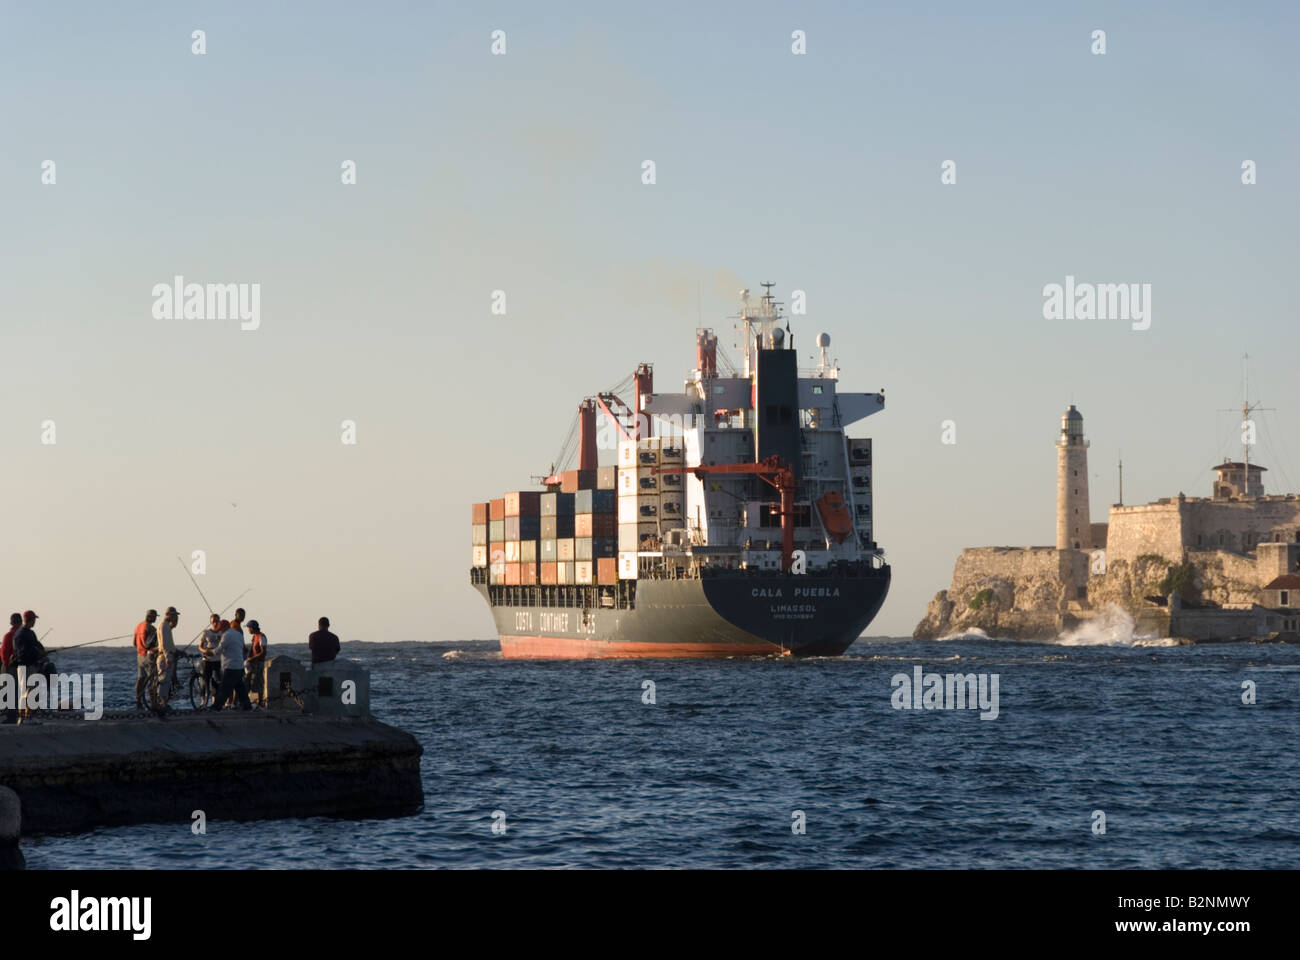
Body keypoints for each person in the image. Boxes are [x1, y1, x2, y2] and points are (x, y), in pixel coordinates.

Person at [13, 611, 53, 715]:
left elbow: (37, 645)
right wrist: (37, 653)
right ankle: (26, 716)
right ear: (30, 620)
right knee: (29, 693)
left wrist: (42, 652)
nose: (35, 622)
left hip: (30, 666)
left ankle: (24, 716)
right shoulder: (21, 634)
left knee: (28, 692)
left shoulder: (30, 633)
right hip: (25, 667)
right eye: (34, 620)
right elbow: (23, 652)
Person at [210, 618, 251, 712]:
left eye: (220, 629)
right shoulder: (238, 634)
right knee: (240, 688)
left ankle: (216, 707)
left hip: (230, 666)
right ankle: (247, 706)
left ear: (224, 627)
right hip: (240, 666)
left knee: (224, 688)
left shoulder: (226, 635)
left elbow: (218, 651)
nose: (220, 631)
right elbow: (239, 647)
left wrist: (208, 652)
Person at [133, 609, 159, 710]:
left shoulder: (138, 626)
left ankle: (138, 702)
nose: (156, 618)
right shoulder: (151, 628)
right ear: (150, 617)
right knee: (152, 680)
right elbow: (148, 645)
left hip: (139, 656)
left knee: (141, 679)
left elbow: (135, 643)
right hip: (148, 656)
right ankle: (153, 703)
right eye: (155, 616)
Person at [155, 607, 179, 709]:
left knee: (165, 680)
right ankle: (162, 703)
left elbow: (169, 644)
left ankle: (163, 703)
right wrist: (167, 657)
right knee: (164, 680)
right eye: (173, 615)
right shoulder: (164, 626)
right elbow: (164, 644)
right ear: (168, 615)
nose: (175, 617)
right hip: (165, 656)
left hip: (166, 654)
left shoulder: (166, 626)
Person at [198, 613, 224, 708]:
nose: (215, 623)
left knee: (216, 681)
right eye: (213, 621)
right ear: (210, 622)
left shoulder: (222, 633)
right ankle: (203, 701)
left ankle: (214, 702)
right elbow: (200, 647)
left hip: (217, 660)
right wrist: (205, 651)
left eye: (217, 621)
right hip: (207, 660)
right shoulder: (206, 632)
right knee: (205, 681)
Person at [2, 613, 21, 723]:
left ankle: (11, 716)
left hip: (10, 667)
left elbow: (4, 652)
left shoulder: (9, 635)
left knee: (9, 691)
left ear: (11, 622)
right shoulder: (23, 634)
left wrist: (6, 665)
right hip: (21, 667)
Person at [245, 620, 267, 704]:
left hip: (258, 663)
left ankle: (260, 702)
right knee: (248, 681)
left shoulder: (261, 637)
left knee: (258, 681)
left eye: (248, 628)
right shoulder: (254, 636)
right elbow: (252, 649)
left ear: (251, 628)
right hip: (252, 663)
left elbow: (263, 652)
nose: (248, 630)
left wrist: (252, 658)